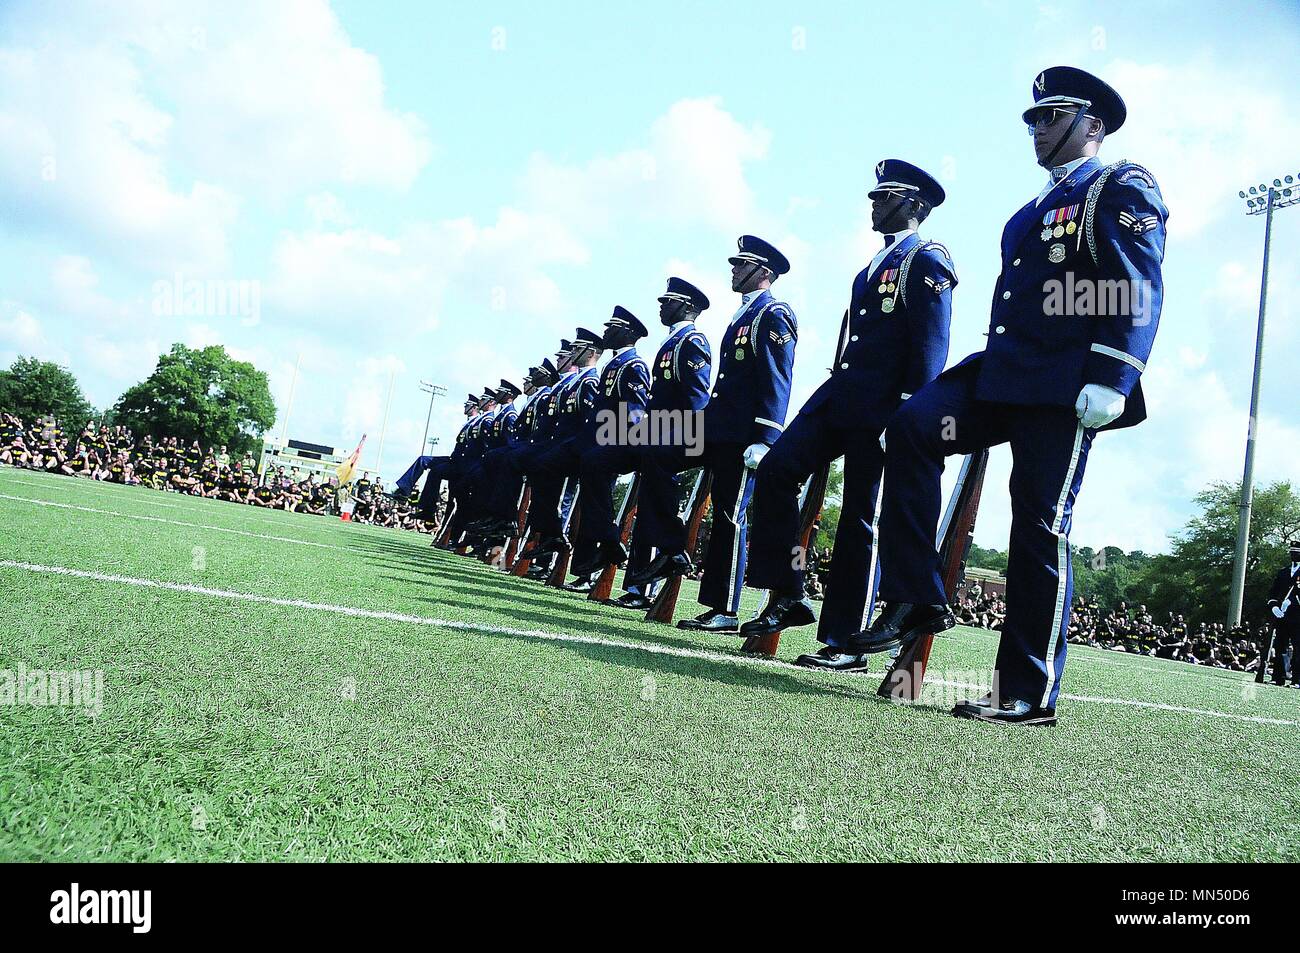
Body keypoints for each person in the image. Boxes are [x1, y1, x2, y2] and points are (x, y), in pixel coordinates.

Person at [851, 66, 1167, 726]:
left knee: (1037, 520)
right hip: (1005, 370)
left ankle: (1027, 690)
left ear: (1093, 126)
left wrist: (1116, 375)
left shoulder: (1119, 184)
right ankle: (916, 595)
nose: (1038, 128)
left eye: (1052, 116)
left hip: (1066, 382)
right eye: (1033, 118)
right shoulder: (1031, 211)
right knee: (912, 425)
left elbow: (1134, 283)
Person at [740, 160, 955, 672]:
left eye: (887, 196)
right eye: (874, 196)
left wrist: (908, 413)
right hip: (840, 394)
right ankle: (789, 593)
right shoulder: (872, 268)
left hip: (884, 407)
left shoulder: (927, 260)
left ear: (915, 206)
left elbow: (930, 347)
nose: (875, 204)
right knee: (775, 472)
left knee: (861, 519)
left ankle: (845, 640)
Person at [627, 236, 798, 634]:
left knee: (728, 514)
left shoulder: (773, 313)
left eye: (743, 264)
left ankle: (725, 608)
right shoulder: (742, 316)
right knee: (656, 452)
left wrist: (767, 435)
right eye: (736, 263)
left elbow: (777, 378)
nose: (734, 270)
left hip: (743, 434)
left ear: (764, 273)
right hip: (715, 426)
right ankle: (672, 549)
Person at [1265, 540, 1300, 686]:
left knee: (1298, 648)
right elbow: (1273, 592)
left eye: (1296, 553)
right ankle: (1278, 677)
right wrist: (1274, 606)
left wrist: (1294, 600)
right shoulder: (1283, 572)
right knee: (1280, 646)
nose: (1293, 555)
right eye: (1292, 552)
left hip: (1298, 616)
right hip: (1282, 615)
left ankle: (1297, 680)